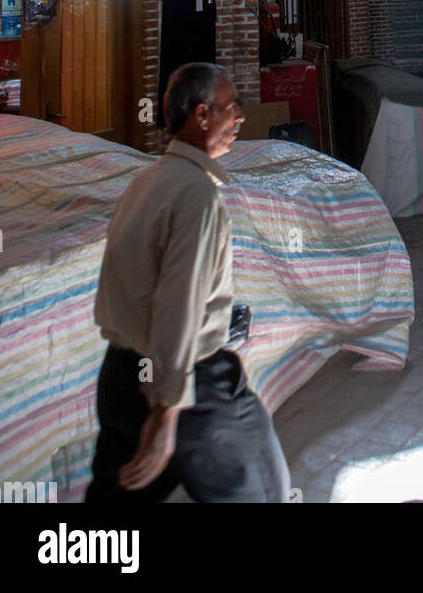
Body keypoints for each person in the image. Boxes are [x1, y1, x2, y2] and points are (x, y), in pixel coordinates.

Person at [85, 62, 289, 503]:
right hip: (192, 386)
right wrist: (166, 412)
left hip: (121, 377)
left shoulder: (145, 180)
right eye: (231, 107)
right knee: (262, 487)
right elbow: (178, 308)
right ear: (201, 116)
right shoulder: (197, 194)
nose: (239, 118)